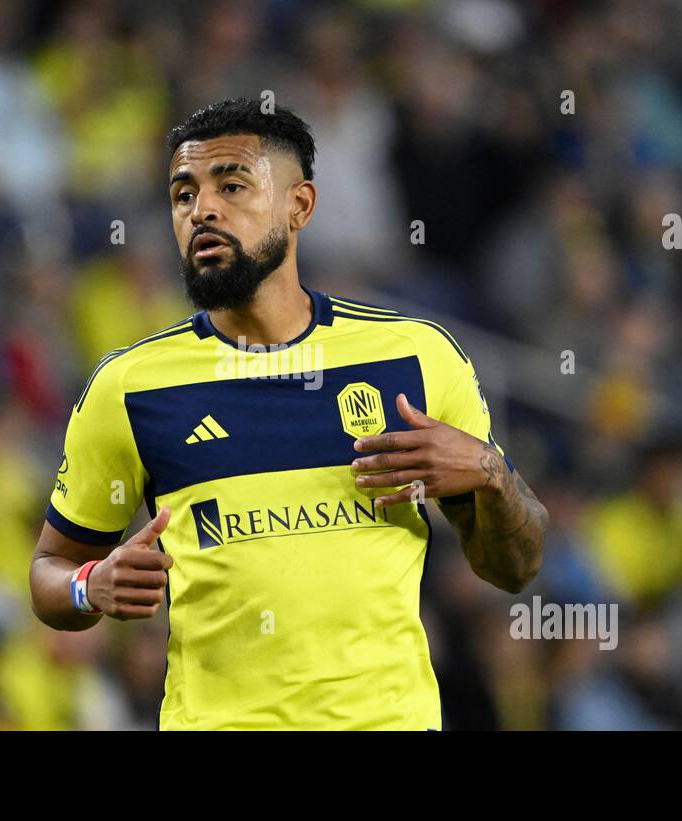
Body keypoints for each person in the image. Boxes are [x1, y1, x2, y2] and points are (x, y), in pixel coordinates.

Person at [29, 98, 547, 730]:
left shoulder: (415, 358)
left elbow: (513, 567)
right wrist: (90, 585)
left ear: (299, 206)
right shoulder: (130, 386)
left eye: (233, 186)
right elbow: (48, 572)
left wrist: (490, 471)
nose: (203, 211)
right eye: (183, 194)